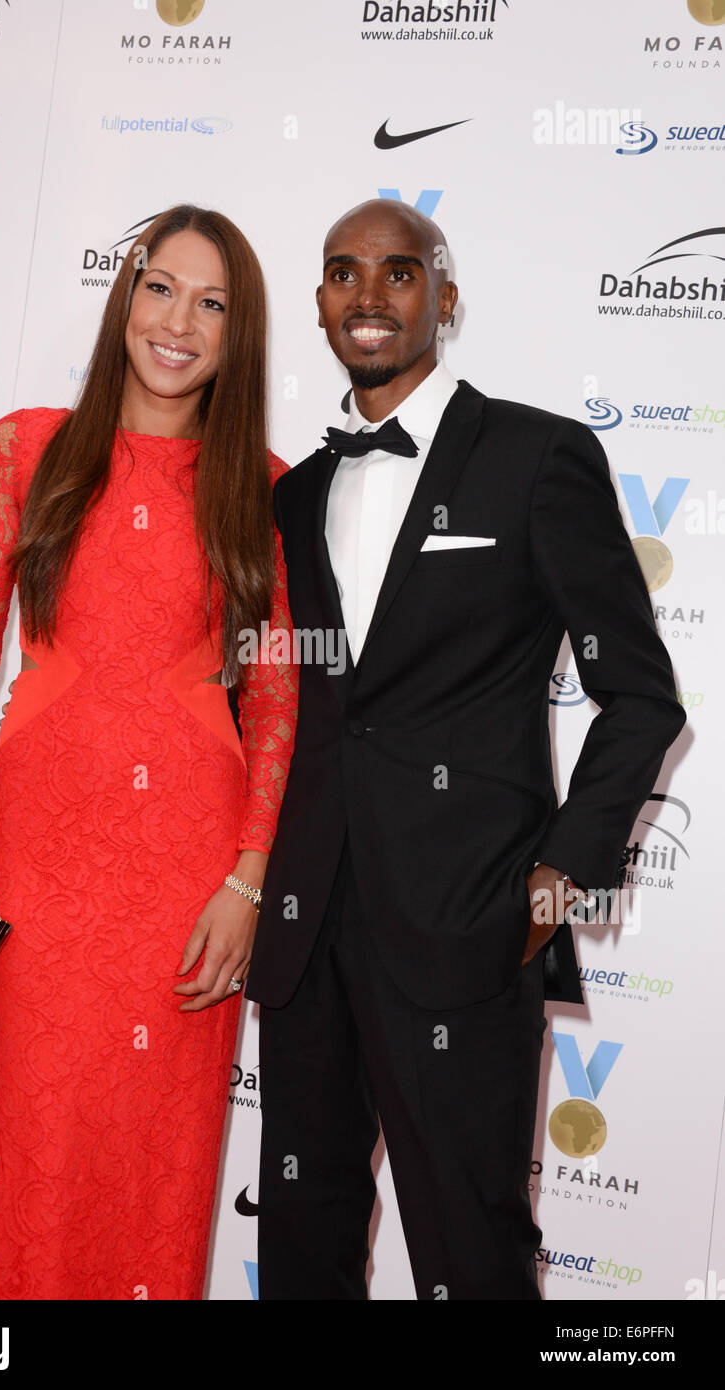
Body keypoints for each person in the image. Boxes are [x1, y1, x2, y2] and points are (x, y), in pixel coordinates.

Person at [245, 198, 686, 1300]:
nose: (370, 296)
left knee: (471, 1245)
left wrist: (559, 874)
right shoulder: (290, 495)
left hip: (466, 921)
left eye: (400, 273)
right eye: (345, 274)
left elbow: (639, 692)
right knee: (303, 1232)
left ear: (446, 296)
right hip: (306, 932)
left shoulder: (537, 456)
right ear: (318, 306)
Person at [0, 204, 298, 1301]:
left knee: (155, 1182)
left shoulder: (266, 487)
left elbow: (275, 704)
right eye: (161, 287)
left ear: (238, 334)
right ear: (126, 295)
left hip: (185, 886)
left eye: (212, 303)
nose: (179, 321)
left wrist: (247, 884)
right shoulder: (22, 448)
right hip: (34, 872)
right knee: (17, 1161)